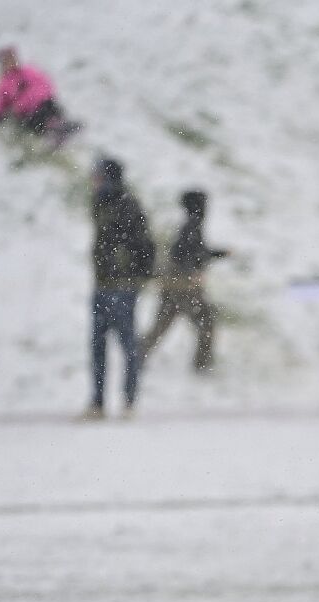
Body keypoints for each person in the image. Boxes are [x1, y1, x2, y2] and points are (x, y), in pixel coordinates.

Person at [86, 157, 155, 420]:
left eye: (99, 176)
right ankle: (97, 403)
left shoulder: (128, 206)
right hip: (101, 285)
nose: (94, 181)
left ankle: (128, 402)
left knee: (127, 345)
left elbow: (145, 245)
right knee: (97, 347)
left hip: (123, 287)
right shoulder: (98, 204)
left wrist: (138, 275)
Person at [141, 190, 229, 374]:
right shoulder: (192, 226)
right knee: (206, 324)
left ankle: (135, 357)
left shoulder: (189, 225)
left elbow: (190, 252)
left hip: (174, 286)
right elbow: (188, 254)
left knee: (160, 327)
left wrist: (211, 255)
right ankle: (202, 367)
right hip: (185, 287)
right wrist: (207, 259)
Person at [0, 46, 75, 146]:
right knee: (36, 120)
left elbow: (45, 83)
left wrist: (39, 97)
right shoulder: (4, 83)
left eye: (11, 59)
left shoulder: (28, 71)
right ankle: (53, 132)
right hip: (27, 114)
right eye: (6, 61)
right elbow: (0, 102)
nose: (10, 63)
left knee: (50, 110)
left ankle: (60, 127)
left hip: (44, 103)